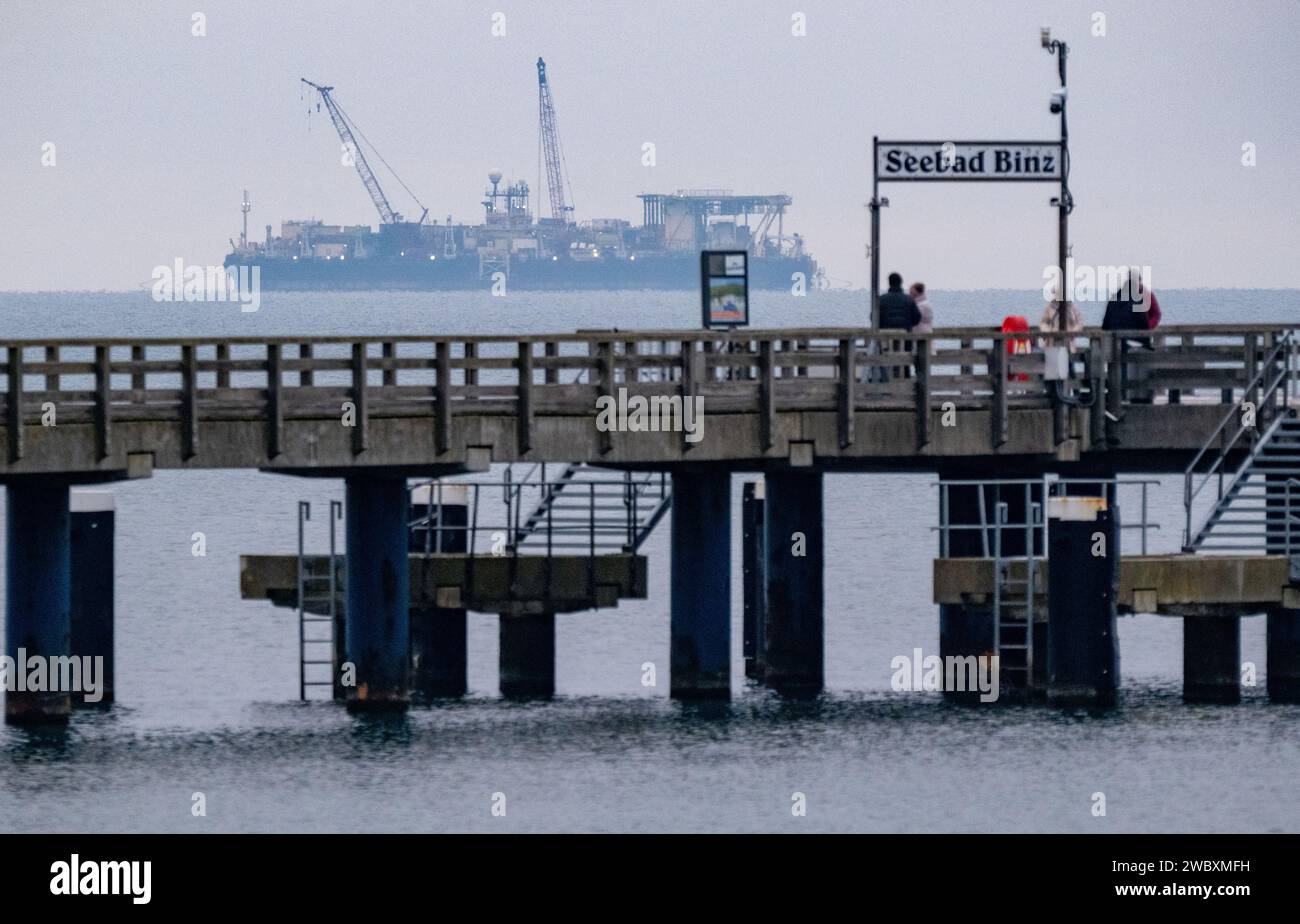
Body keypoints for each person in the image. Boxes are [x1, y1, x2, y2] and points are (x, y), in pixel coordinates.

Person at [878, 272, 921, 379]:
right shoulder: (909, 300)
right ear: (900, 283)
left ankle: (886, 386)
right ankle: (905, 384)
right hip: (906, 339)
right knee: (905, 363)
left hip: (885, 339)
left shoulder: (881, 300)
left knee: (886, 362)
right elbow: (917, 318)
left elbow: (873, 318)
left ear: (889, 283)